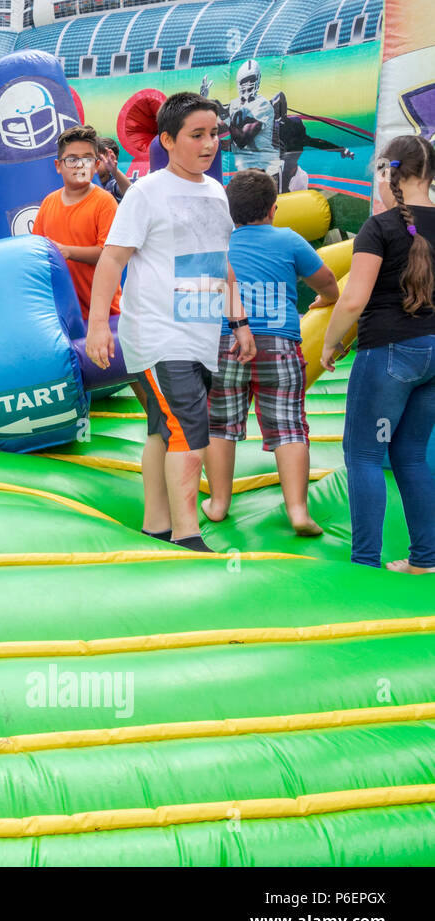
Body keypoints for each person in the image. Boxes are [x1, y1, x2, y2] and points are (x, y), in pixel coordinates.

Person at [87, 91, 255, 552]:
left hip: (200, 331)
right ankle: (188, 533)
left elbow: (222, 264)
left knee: (162, 427)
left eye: (214, 133)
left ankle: (156, 523)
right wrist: (98, 324)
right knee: (187, 425)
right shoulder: (146, 192)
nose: (208, 144)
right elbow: (111, 260)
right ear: (167, 139)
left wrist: (238, 321)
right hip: (158, 334)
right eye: (196, 135)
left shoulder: (217, 191)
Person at [320, 134, 435, 573]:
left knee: (365, 454)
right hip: (431, 353)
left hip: (390, 352)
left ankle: (363, 562)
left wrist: (331, 342)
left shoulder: (380, 227)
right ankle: (425, 558)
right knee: (410, 454)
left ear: (390, 173)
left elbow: (353, 299)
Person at [203, 169, 339, 536]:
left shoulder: (220, 242)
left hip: (225, 340)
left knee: (219, 424)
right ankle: (297, 509)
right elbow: (326, 280)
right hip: (278, 344)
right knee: (289, 426)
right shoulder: (289, 239)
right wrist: (327, 299)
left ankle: (218, 503)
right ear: (274, 209)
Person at [33, 125, 122, 320]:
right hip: (62, 313)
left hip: (104, 312)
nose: (80, 165)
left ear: (96, 164)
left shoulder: (104, 202)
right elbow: (36, 249)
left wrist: (68, 251)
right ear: (58, 165)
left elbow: (109, 254)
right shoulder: (49, 202)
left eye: (87, 159)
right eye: (72, 159)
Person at [95, 136, 131, 202]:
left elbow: (129, 191)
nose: (95, 162)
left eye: (100, 159)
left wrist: (115, 171)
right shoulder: (84, 184)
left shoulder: (112, 185)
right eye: (92, 158)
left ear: (113, 160)